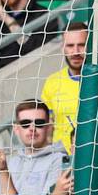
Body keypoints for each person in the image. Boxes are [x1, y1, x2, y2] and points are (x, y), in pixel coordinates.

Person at [38, 19, 88, 155]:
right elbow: (48, 127)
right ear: (63, 47)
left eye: (82, 45)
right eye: (70, 45)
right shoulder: (52, 82)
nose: (76, 52)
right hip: (61, 162)